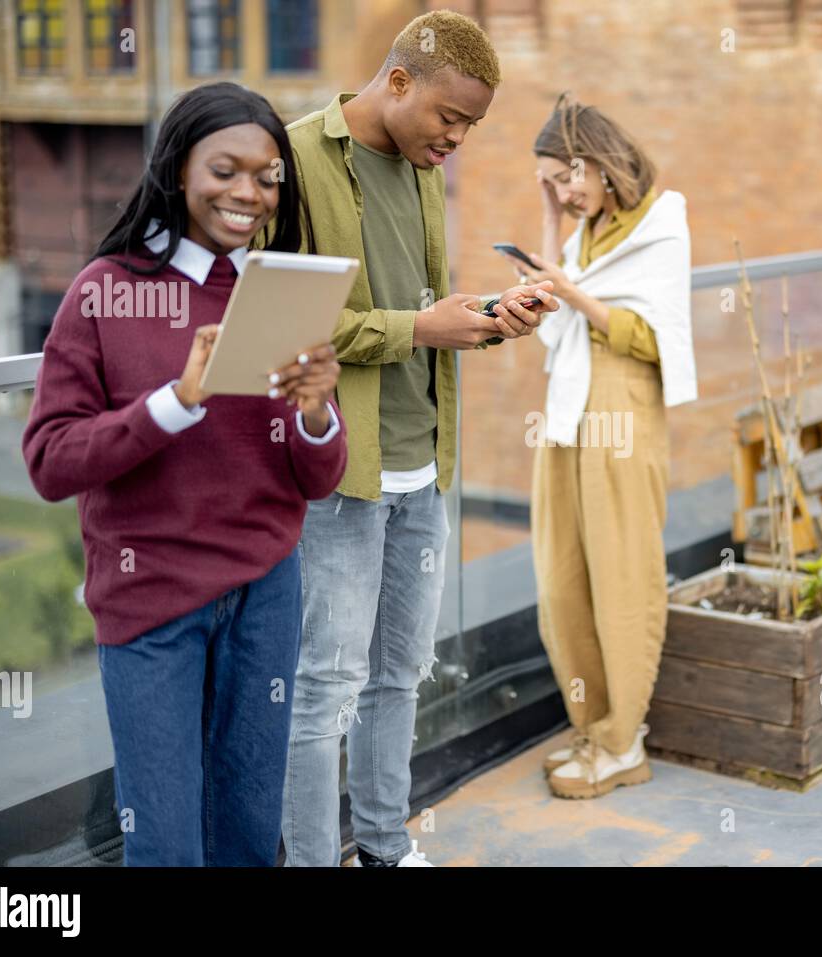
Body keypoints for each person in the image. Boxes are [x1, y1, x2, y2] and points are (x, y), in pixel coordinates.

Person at [22, 82, 347, 865]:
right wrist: (175, 401)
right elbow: (50, 461)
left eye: (268, 176)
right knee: (164, 843)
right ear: (175, 170)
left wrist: (315, 412)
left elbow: (317, 478)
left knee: (245, 830)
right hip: (151, 604)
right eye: (226, 170)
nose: (249, 193)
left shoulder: (280, 288)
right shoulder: (104, 291)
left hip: (266, 592)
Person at [278, 10, 558, 867]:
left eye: (472, 126)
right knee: (324, 691)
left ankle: (387, 849)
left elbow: (415, 306)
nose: (459, 139)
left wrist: (483, 317)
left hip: (423, 467)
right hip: (339, 473)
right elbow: (287, 328)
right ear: (397, 82)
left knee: (399, 677)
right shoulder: (294, 158)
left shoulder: (423, 170)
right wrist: (418, 329)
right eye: (451, 117)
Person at [502, 93, 697, 799]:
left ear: (597, 161)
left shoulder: (661, 225)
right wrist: (552, 220)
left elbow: (654, 341)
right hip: (568, 409)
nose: (562, 192)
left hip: (622, 407)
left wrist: (574, 294)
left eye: (565, 179)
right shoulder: (587, 229)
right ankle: (592, 724)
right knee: (562, 575)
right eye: (551, 183)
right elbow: (559, 299)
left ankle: (623, 742)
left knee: (622, 574)